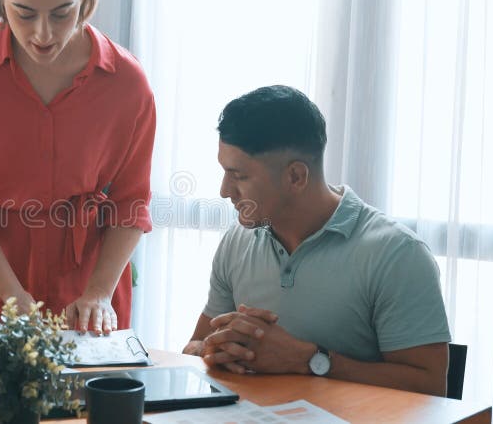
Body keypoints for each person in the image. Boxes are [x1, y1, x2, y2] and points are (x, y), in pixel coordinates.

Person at [183, 85, 451, 396]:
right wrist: (207, 350)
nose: (224, 191)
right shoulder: (237, 241)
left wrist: (309, 360)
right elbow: (198, 345)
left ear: (296, 176)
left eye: (239, 176)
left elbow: (431, 389)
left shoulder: (397, 254)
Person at [0, 0, 155, 335]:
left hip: (85, 305)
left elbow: (131, 203)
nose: (43, 34)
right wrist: (12, 295)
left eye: (63, 13)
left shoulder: (128, 83)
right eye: (24, 13)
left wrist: (98, 294)